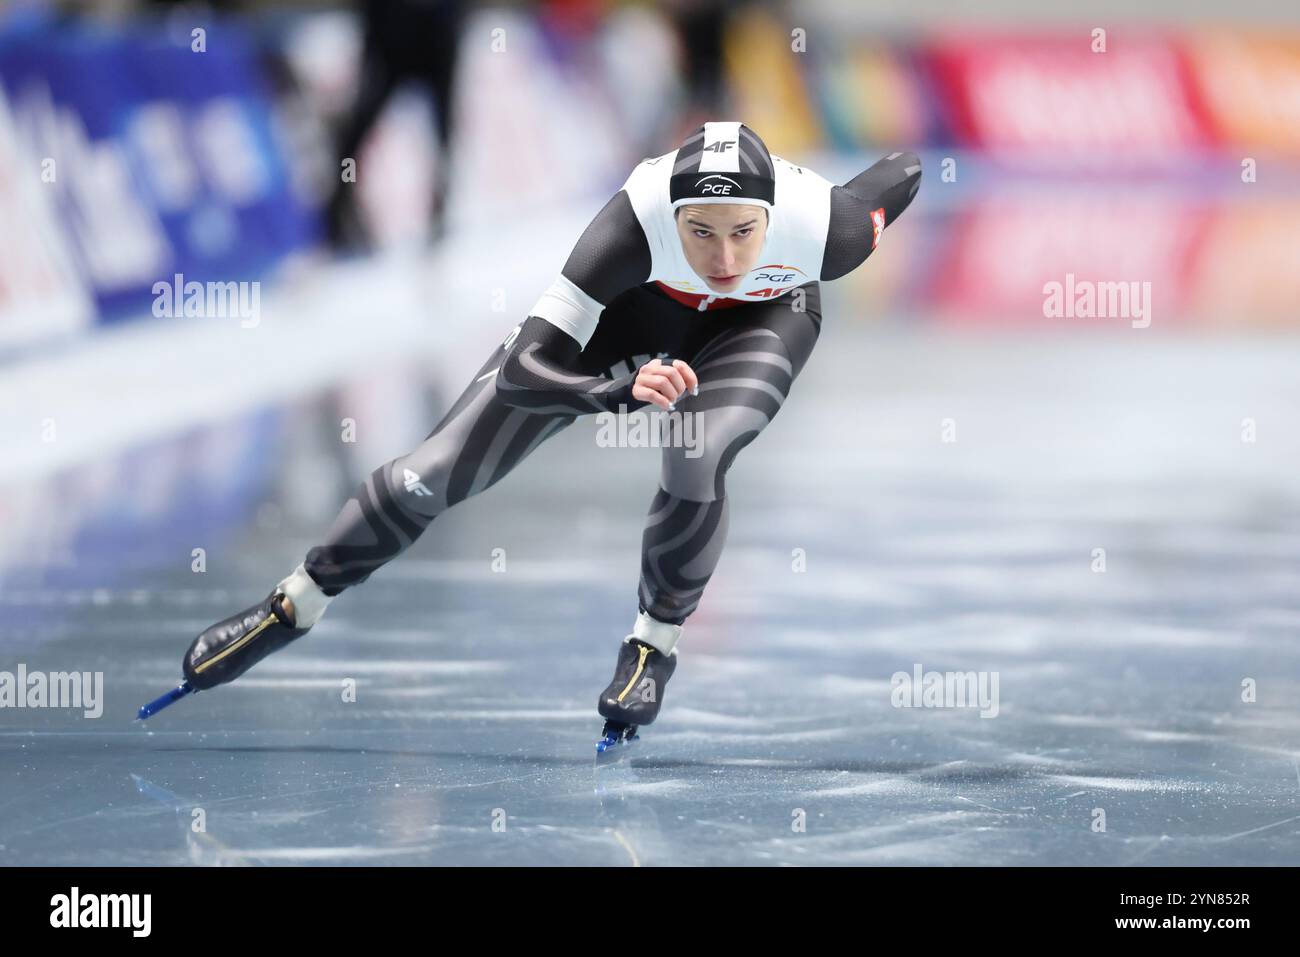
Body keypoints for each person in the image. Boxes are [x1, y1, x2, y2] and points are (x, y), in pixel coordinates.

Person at [178, 121, 922, 750]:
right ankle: (294, 603)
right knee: (428, 473)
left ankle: (651, 646)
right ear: (670, 217)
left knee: (697, 450)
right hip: (630, 317)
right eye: (700, 233)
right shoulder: (630, 223)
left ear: (774, 217)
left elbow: (903, 170)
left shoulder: (832, 229)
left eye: (742, 234)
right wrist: (609, 390)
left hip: (763, 321)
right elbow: (523, 371)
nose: (723, 261)